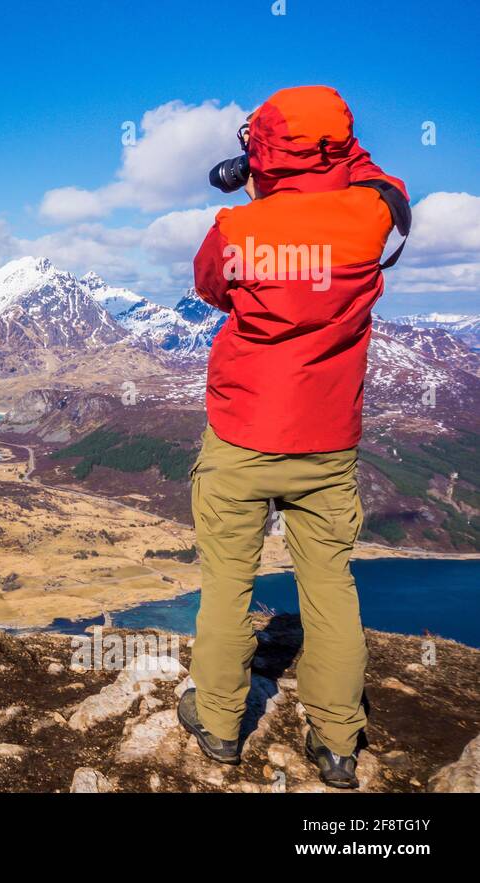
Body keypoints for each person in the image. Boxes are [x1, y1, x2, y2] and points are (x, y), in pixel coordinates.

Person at [177, 85, 410, 788]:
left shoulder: (237, 228)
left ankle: (220, 725)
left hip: (241, 435)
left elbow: (211, 288)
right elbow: (380, 181)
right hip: (328, 443)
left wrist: (262, 185)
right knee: (330, 584)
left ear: (262, 152)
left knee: (227, 582)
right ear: (340, 147)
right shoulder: (372, 214)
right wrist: (318, 159)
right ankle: (337, 742)